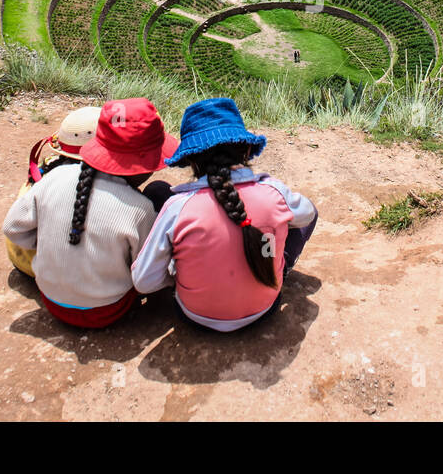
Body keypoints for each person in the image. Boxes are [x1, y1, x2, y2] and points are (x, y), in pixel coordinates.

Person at [132, 97, 317, 332]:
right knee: (298, 216)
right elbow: (308, 214)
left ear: (190, 159)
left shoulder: (178, 207)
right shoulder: (273, 192)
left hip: (194, 314)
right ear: (247, 149)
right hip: (263, 309)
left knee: (160, 193)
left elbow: (143, 281)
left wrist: (178, 276)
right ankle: (275, 269)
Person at [3, 99, 177, 328]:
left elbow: (12, 229)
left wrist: (53, 243)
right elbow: (145, 276)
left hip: (52, 300)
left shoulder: (54, 178)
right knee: (160, 191)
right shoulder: (140, 209)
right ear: (142, 164)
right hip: (109, 310)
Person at [5, 106, 100, 277]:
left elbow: (11, 226)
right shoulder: (90, 184)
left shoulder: (48, 167)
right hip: (49, 269)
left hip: (20, 258)